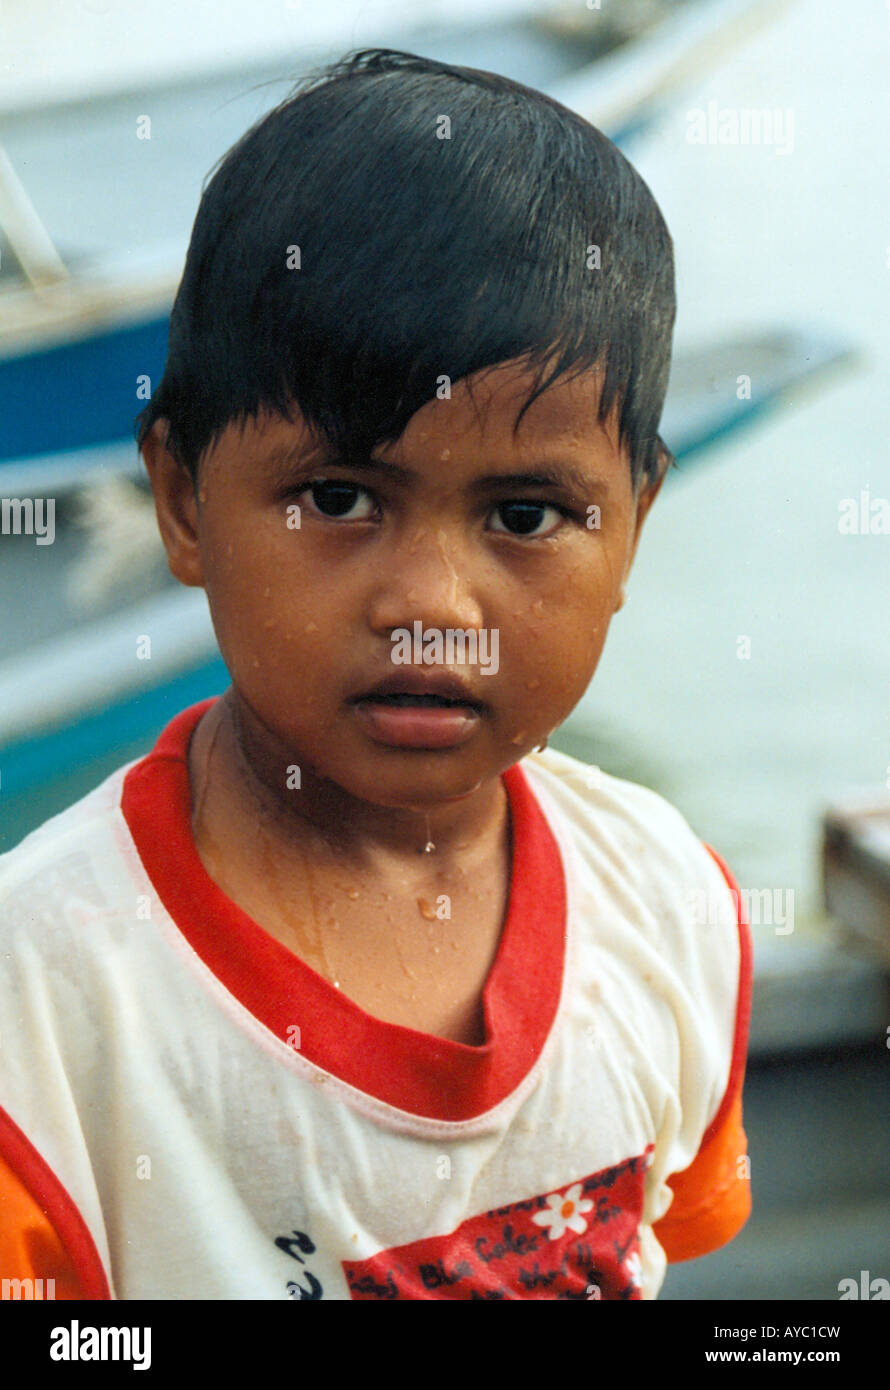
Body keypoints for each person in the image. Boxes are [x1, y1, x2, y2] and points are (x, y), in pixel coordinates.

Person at [0, 48, 751, 1300]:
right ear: (182, 500)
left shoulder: (668, 902)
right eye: (337, 497)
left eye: (523, 516)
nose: (431, 605)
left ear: (632, 524)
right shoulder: (43, 1009)